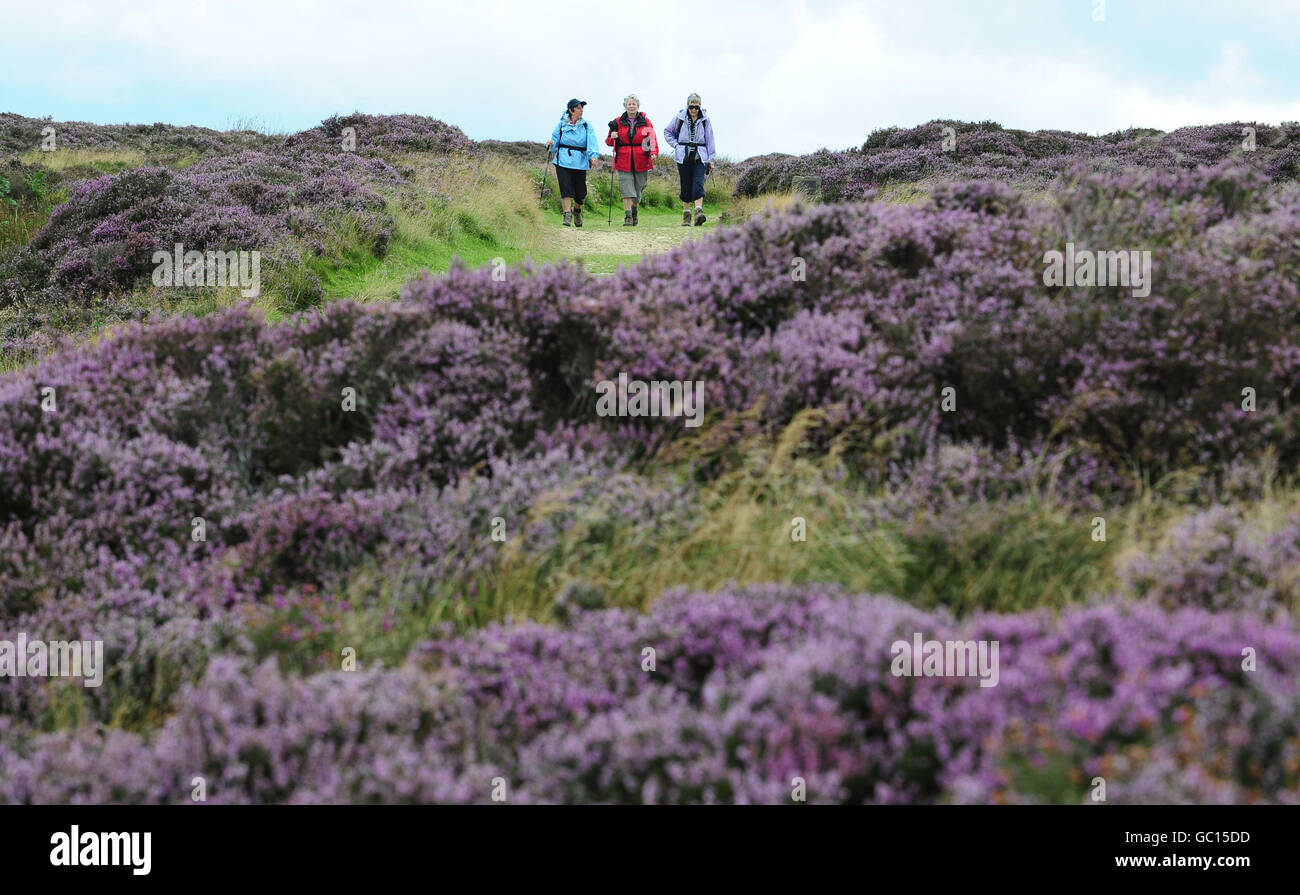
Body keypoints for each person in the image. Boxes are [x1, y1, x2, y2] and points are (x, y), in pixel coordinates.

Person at [663, 92, 716, 226]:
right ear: (687, 106)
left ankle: (698, 213)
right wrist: (675, 145)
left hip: (700, 156)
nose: (693, 110)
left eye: (696, 107)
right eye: (691, 107)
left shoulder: (705, 120)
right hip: (683, 156)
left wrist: (712, 159)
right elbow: (667, 132)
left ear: (700, 107)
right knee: (685, 185)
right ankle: (686, 216)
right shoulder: (679, 118)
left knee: (698, 183)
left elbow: (710, 140)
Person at [605, 94, 658, 226]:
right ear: (625, 106)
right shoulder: (617, 122)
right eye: (629, 104)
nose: (632, 106)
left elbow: (652, 137)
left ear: (638, 106)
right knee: (626, 187)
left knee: (639, 188)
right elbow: (609, 141)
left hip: (641, 158)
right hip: (623, 158)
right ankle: (628, 216)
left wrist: (653, 152)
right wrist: (613, 136)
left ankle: (634, 210)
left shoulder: (645, 121)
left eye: (634, 104)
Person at [547, 98, 600, 227]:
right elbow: (554, 142)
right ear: (571, 110)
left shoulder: (587, 126)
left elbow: (592, 142)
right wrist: (550, 145)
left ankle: (577, 211)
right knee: (566, 189)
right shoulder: (561, 125)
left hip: (580, 162)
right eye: (578, 108)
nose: (581, 110)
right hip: (563, 161)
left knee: (581, 192)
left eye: (582, 108)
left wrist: (593, 156)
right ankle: (566, 215)